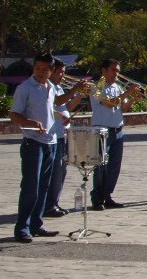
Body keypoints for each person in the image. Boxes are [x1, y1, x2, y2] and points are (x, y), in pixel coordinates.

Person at [9, 54, 85, 242]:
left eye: (44, 69)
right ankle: (22, 228)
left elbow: (51, 107)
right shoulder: (25, 88)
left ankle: (36, 224)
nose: (41, 72)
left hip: (50, 142)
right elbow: (14, 114)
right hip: (33, 143)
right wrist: (30, 122)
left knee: (44, 187)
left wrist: (60, 117)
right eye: (37, 69)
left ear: (51, 71)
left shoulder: (50, 88)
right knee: (30, 187)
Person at [90, 58, 137, 210]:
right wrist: (128, 92)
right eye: (113, 70)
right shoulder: (96, 87)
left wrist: (133, 98)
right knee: (101, 166)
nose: (117, 73)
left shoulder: (117, 87)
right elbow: (109, 103)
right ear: (103, 71)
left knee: (114, 167)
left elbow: (123, 108)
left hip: (118, 130)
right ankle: (97, 197)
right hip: (102, 131)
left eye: (118, 70)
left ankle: (107, 195)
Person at [43, 59, 85, 218]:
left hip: (62, 134)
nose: (62, 75)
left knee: (61, 172)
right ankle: (49, 205)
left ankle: (54, 202)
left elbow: (65, 107)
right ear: (51, 71)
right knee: (55, 172)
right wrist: (76, 87)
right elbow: (58, 101)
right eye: (60, 72)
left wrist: (78, 97)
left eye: (63, 72)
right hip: (54, 136)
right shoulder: (49, 87)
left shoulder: (58, 87)